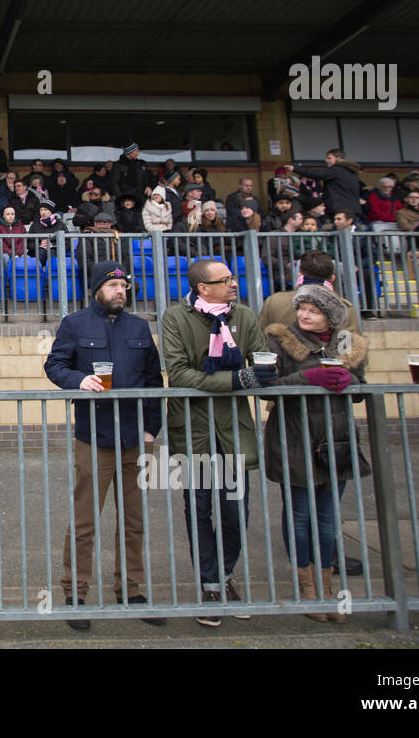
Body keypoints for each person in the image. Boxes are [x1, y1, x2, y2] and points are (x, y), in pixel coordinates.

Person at [44, 261, 164, 629]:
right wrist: (78, 380)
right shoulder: (75, 324)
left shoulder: (139, 327)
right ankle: (75, 592)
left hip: (135, 439)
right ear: (98, 288)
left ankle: (131, 589)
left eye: (124, 286)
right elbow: (55, 365)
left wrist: (151, 430)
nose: (121, 292)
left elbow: (154, 382)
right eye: (114, 286)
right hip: (93, 437)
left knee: (134, 520)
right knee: (85, 519)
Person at [160, 258, 278, 626]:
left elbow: (261, 366)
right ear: (202, 288)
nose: (233, 284)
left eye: (233, 278)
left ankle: (225, 576)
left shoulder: (243, 315)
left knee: (234, 512)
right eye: (224, 280)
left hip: (234, 428)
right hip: (193, 428)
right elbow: (180, 374)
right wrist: (237, 380)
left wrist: (256, 374)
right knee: (199, 509)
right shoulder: (174, 318)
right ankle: (210, 584)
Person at [261, 284, 369, 621]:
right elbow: (267, 387)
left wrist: (349, 380)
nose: (305, 315)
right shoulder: (279, 338)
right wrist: (309, 377)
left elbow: (361, 391)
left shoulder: (347, 342)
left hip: (336, 440)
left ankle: (326, 584)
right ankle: (306, 586)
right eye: (302, 309)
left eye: (314, 311)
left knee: (327, 516)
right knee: (300, 514)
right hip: (294, 436)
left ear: (331, 317)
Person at [288, 150, 364, 223]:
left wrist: (294, 168)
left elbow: (317, 174)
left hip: (339, 209)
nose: (326, 160)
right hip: (354, 209)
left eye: (329, 158)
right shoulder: (352, 173)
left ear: (339, 158)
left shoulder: (336, 170)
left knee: (338, 234)